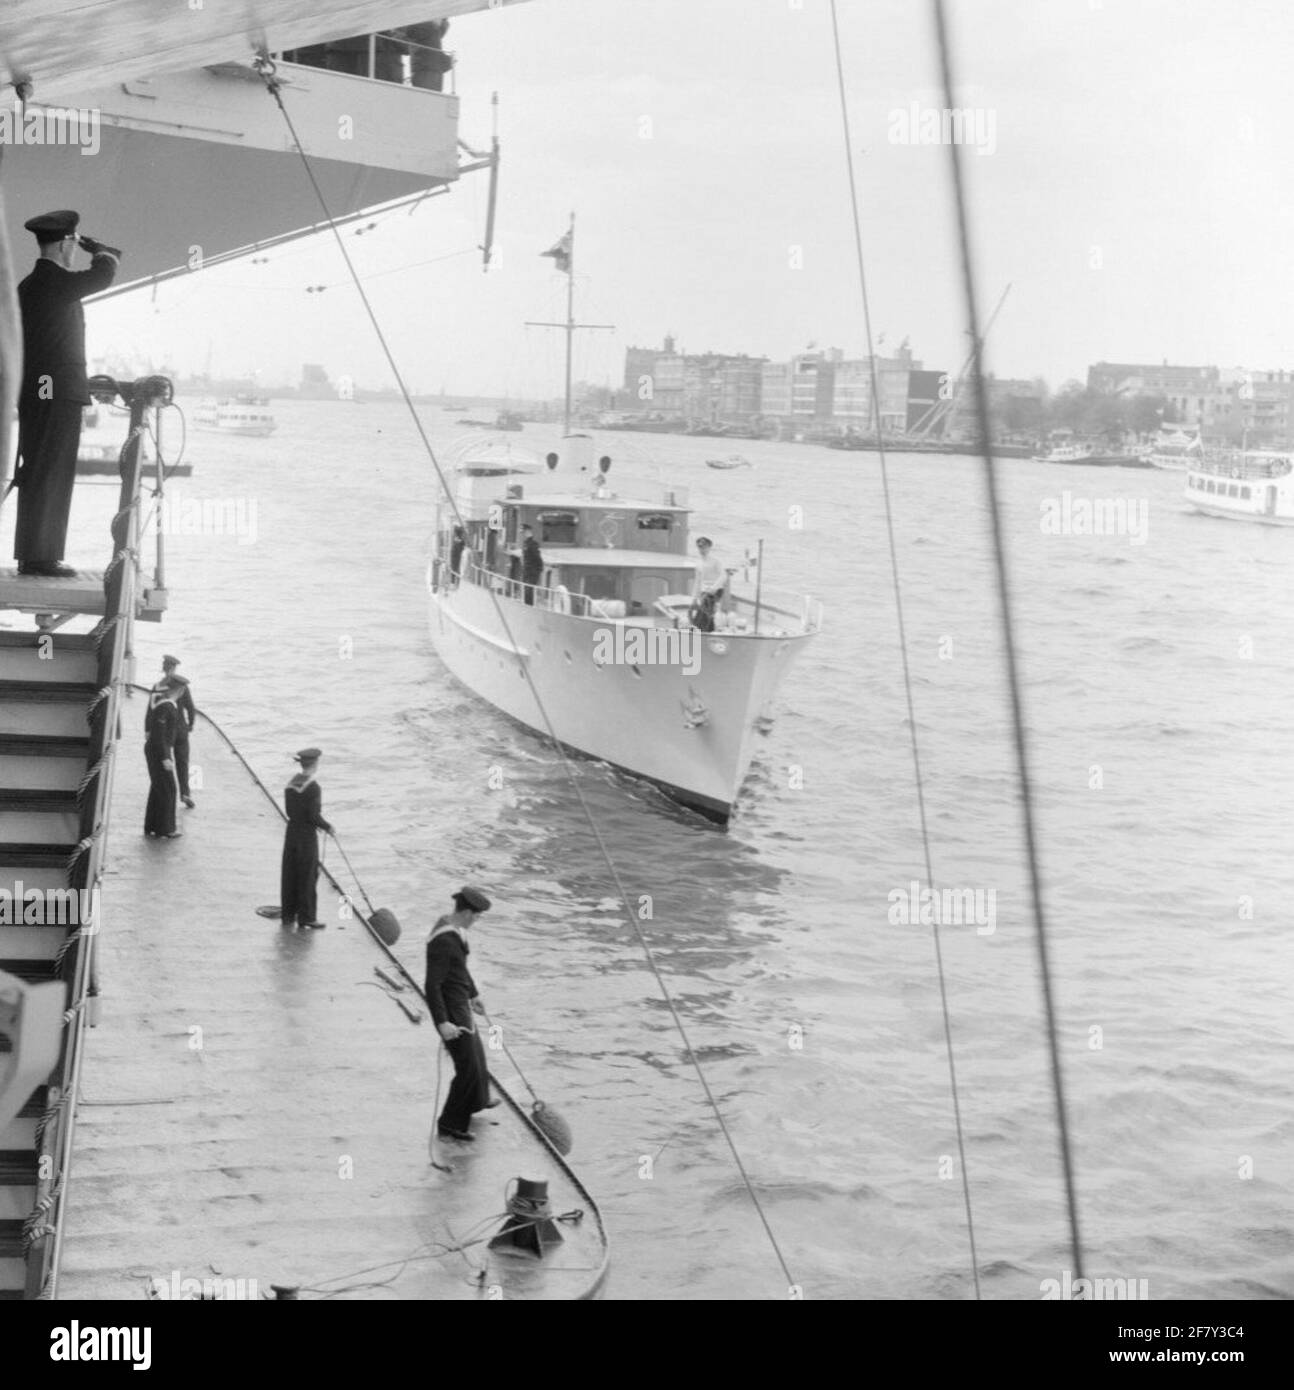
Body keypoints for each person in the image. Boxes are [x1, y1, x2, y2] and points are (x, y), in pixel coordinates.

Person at [13, 210, 119, 576]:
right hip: (55, 392)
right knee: (52, 472)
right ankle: (41, 559)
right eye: (73, 243)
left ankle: (35, 555)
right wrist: (102, 251)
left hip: (42, 391)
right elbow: (103, 274)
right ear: (64, 244)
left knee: (40, 470)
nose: (75, 250)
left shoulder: (31, 284)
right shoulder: (54, 282)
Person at [425, 887, 497, 1141]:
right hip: (452, 1015)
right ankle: (450, 1124)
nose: (476, 921)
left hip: (461, 1008)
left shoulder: (455, 931)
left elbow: (460, 970)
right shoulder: (444, 941)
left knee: (477, 1061)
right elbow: (432, 985)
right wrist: (442, 1022)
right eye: (476, 916)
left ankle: (477, 1101)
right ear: (467, 913)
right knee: (467, 1070)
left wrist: (474, 994)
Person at [280, 747, 332, 930]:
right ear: (315, 764)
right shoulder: (314, 788)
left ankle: (288, 914)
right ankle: (307, 917)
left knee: (290, 873)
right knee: (308, 875)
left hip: (292, 832)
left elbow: (289, 811)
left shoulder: (290, 784)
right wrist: (328, 827)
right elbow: (313, 816)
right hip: (307, 836)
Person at [143, 683, 182, 838]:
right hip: (159, 752)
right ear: (180, 690)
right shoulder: (166, 707)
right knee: (169, 789)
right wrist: (165, 757)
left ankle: (152, 825)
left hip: (156, 750)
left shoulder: (162, 705)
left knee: (158, 787)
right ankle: (166, 829)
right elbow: (159, 735)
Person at [161, 655, 197, 808]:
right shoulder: (182, 685)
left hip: (166, 729)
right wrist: (190, 725)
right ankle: (185, 793)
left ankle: (167, 793)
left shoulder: (160, 686)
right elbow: (191, 707)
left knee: (165, 760)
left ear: (164, 668)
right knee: (183, 762)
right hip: (181, 729)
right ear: (174, 668)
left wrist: (150, 729)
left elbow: (153, 710)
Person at [690, 535, 726, 633]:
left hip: (715, 591)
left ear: (709, 547)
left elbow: (723, 576)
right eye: (700, 547)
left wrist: (714, 588)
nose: (702, 549)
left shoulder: (716, 561)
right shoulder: (698, 563)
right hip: (704, 591)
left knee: (704, 611)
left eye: (704, 547)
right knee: (704, 612)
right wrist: (694, 598)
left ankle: (699, 630)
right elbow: (697, 581)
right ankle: (708, 631)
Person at [521, 524, 544, 606]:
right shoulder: (525, 543)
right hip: (526, 572)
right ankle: (526, 605)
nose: (523, 534)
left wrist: (538, 569)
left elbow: (537, 558)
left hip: (532, 572)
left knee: (529, 591)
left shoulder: (533, 544)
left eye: (524, 532)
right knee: (526, 591)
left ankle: (529, 606)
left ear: (528, 532)